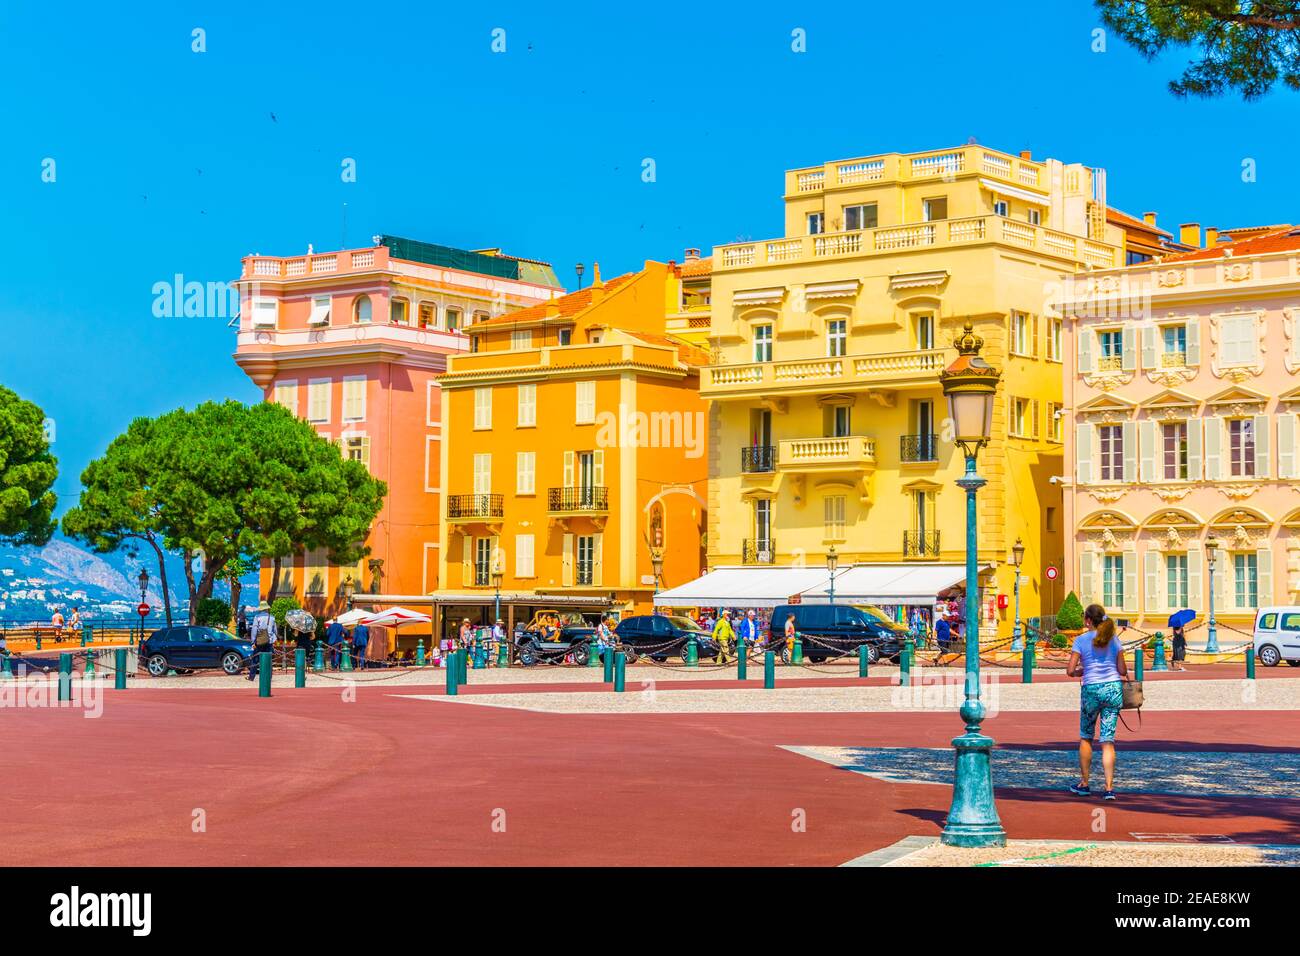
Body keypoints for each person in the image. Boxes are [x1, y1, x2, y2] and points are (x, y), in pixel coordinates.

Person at [1067, 603, 1129, 801]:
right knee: (1107, 741)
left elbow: (1070, 670)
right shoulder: (1114, 640)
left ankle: (1084, 783)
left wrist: (1081, 671)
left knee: (1086, 736)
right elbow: (1122, 670)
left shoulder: (1081, 640)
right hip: (1112, 690)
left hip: (1091, 690)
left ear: (1087, 620)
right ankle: (1109, 788)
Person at [246, 601, 277, 682]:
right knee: (268, 660)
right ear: (267, 608)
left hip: (259, 641)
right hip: (269, 641)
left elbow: (254, 630)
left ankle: (251, 677)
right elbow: (275, 631)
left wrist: (253, 642)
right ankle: (268, 677)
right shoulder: (272, 617)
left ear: (261, 609)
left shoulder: (257, 617)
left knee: (255, 659)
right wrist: (273, 639)